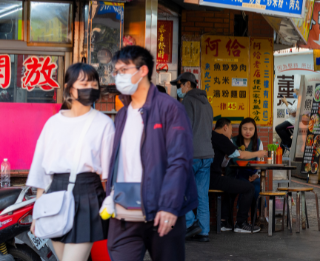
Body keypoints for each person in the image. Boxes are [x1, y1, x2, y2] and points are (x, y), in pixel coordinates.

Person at [106, 46, 197, 261]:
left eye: (124, 70)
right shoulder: (121, 116)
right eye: (116, 71)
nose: (119, 76)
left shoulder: (170, 109)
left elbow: (179, 160)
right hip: (124, 212)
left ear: (143, 70)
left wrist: (170, 206)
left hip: (161, 210)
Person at [28, 64, 114, 261]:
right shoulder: (53, 123)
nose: (90, 87)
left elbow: (109, 174)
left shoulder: (104, 124)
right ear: (69, 88)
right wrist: (37, 213)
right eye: (84, 83)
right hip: (54, 197)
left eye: (94, 83)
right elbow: (42, 173)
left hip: (88, 196)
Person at [171, 72, 214, 243]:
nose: (179, 89)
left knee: (179, 190)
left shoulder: (188, 100)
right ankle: (204, 231)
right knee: (202, 195)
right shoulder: (207, 104)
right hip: (207, 155)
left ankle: (191, 222)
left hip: (191, 155)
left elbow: (184, 128)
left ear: (188, 84)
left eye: (180, 85)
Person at [210, 118, 262, 233]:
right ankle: (240, 223)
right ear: (225, 127)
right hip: (215, 178)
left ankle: (225, 223)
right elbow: (240, 155)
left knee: (237, 185)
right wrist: (259, 153)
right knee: (249, 188)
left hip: (205, 176)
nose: (231, 133)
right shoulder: (223, 138)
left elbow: (222, 162)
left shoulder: (210, 136)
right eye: (231, 129)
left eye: (251, 129)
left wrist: (227, 157)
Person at [234, 118, 264, 222]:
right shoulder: (233, 141)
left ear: (255, 130)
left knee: (257, 186)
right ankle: (243, 219)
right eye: (245, 128)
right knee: (246, 186)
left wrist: (257, 175)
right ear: (240, 129)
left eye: (251, 129)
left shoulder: (258, 142)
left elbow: (261, 162)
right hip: (237, 174)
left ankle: (257, 218)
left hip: (253, 175)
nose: (248, 131)